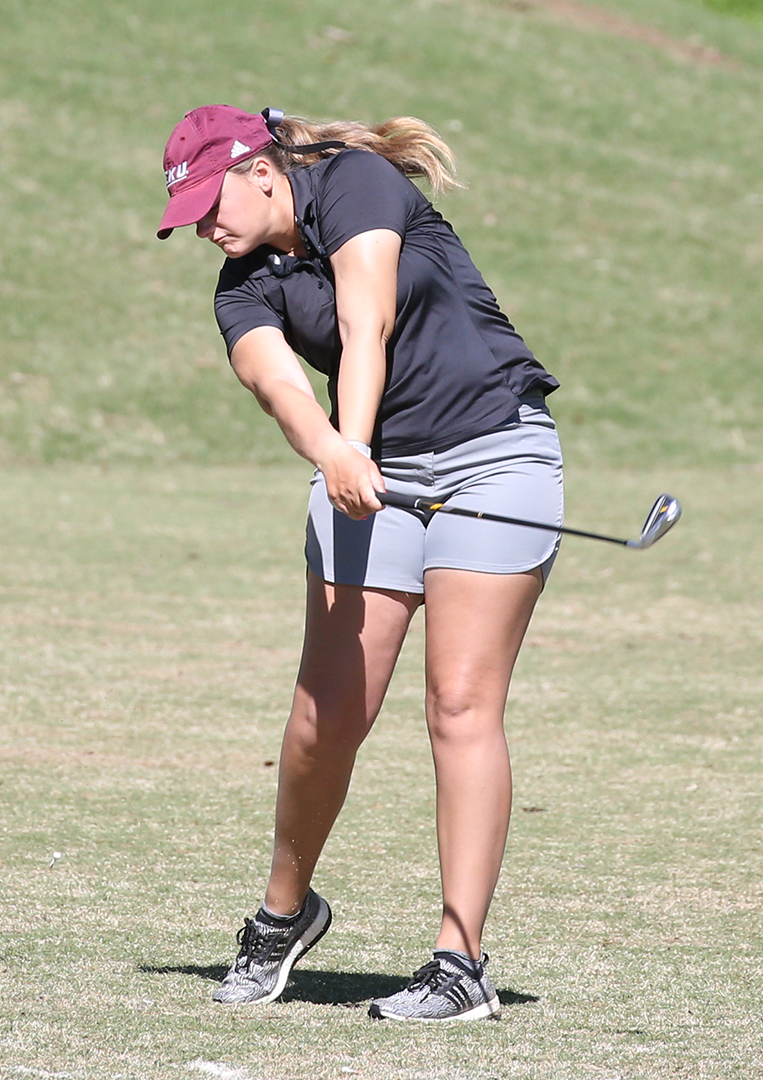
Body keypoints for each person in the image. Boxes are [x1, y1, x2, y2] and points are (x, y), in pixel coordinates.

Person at [154, 104, 563, 1022]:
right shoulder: (239, 286)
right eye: (187, 221)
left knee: (459, 702)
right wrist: (332, 453)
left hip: (491, 449)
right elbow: (276, 383)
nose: (206, 229)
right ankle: (284, 913)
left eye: (210, 204)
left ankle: (460, 966)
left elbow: (364, 322)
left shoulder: (355, 180)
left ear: (261, 169)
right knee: (324, 715)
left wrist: (352, 444)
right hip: (367, 471)